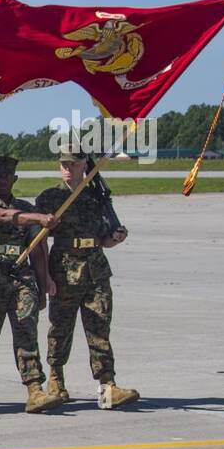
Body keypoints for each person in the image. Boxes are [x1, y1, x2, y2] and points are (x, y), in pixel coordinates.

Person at [35, 148, 139, 408]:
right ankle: (56, 380)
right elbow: (38, 242)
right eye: (63, 164)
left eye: (73, 163)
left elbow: (104, 238)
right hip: (64, 270)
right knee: (60, 328)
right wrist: (45, 276)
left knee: (99, 328)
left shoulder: (96, 198)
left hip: (95, 270)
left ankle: (107, 386)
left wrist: (115, 239)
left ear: (84, 165)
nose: (67, 168)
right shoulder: (50, 198)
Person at [0, 156, 63, 414]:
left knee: (26, 331)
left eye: (7, 176)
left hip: (21, 279)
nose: (2, 180)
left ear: (14, 179)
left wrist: (44, 285)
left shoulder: (26, 207)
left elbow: (38, 250)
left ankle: (34, 388)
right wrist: (37, 217)